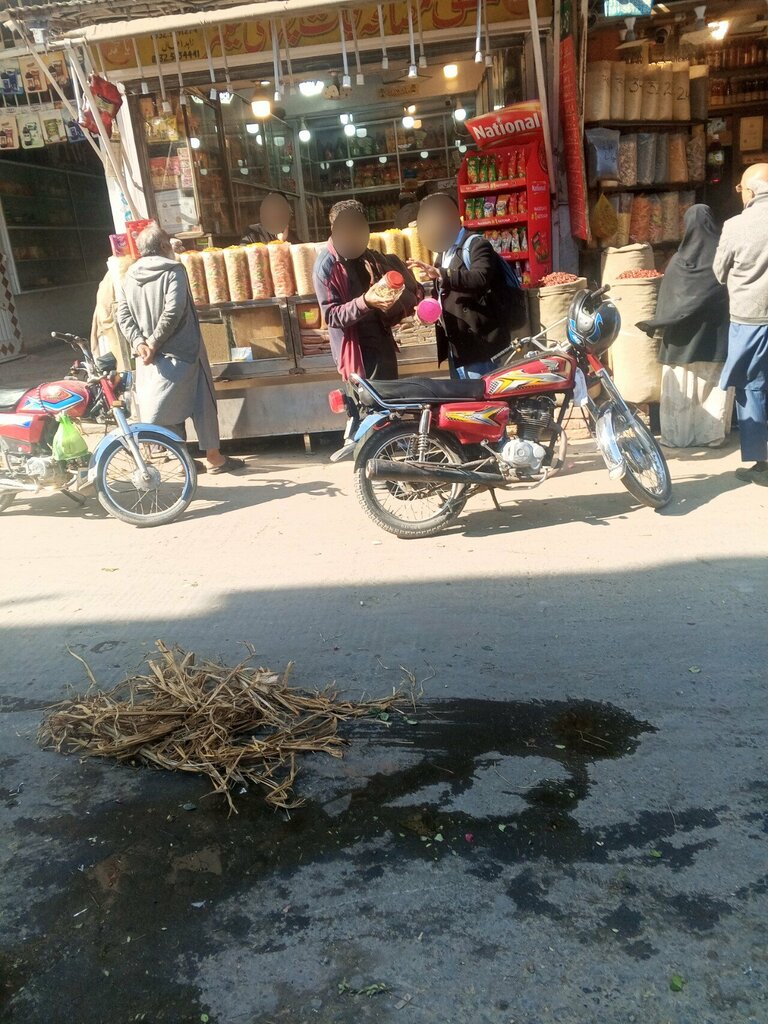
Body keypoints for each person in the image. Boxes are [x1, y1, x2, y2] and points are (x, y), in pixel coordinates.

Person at [117, 223, 244, 475]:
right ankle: (214, 457)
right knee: (202, 401)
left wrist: (140, 342)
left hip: (149, 358)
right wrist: (153, 341)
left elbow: (123, 314)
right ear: (164, 247)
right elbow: (173, 310)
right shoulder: (174, 269)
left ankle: (183, 458)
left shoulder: (128, 276)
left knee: (166, 406)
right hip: (184, 351)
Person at [637, 205, 732, 448]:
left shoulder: (678, 262)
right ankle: (711, 436)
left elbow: (668, 300)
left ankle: (678, 437)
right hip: (715, 336)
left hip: (681, 340)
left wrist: (661, 322)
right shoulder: (723, 258)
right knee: (711, 385)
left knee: (683, 386)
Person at [313, 199, 423, 380]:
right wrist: (365, 302)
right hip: (357, 354)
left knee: (390, 401)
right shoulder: (326, 266)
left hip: (382, 344)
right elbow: (331, 316)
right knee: (368, 405)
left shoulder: (367, 255)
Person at [409, 192, 511, 379]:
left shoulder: (476, 244)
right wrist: (425, 310)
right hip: (457, 347)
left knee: (483, 403)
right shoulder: (443, 253)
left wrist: (442, 274)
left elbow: (480, 278)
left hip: (480, 345)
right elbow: (441, 292)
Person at [714, 163, 768, 484]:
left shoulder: (735, 226)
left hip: (749, 320)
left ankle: (761, 465)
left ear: (749, 191)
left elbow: (719, 272)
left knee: (752, 388)